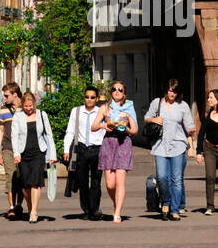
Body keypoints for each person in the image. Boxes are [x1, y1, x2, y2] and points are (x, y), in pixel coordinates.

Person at [144, 79, 196, 220]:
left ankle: (174, 209)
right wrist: (154, 120)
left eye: (175, 91)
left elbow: (189, 128)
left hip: (178, 145)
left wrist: (191, 147)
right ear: (166, 90)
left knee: (177, 179)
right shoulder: (157, 103)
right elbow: (146, 117)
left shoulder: (183, 106)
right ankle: (165, 202)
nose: (172, 93)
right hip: (160, 145)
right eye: (170, 90)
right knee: (162, 177)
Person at [93, 79, 138, 224]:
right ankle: (116, 203)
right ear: (111, 92)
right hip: (108, 144)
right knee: (109, 184)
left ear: (124, 94)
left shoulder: (129, 109)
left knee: (120, 182)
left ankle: (117, 212)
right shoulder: (105, 108)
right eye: (114, 89)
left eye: (120, 90)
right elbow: (93, 126)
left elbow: (135, 130)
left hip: (123, 143)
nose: (117, 92)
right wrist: (103, 125)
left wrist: (126, 126)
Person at [11, 89, 57, 224]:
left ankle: (34, 211)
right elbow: (14, 136)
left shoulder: (42, 115)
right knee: (25, 185)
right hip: (23, 153)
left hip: (38, 152)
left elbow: (49, 135)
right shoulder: (18, 116)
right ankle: (30, 206)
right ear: (22, 105)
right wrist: (16, 154)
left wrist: (52, 154)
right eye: (26, 106)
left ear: (34, 103)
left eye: (30, 106)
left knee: (35, 182)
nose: (29, 109)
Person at [63, 84, 105, 220]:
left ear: (97, 98)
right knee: (82, 181)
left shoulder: (102, 112)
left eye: (92, 97)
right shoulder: (76, 111)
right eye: (87, 97)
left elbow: (106, 130)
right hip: (81, 149)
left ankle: (94, 209)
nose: (89, 100)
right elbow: (70, 131)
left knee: (96, 181)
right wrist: (66, 150)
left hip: (97, 149)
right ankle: (86, 209)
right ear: (84, 98)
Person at [0, 82, 23, 218]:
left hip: (22, 148)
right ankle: (12, 207)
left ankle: (19, 204)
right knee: (10, 176)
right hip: (8, 147)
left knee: (21, 177)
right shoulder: (3, 110)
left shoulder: (25, 108)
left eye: (6, 96)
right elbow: (0, 131)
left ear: (15, 94)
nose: (4, 98)